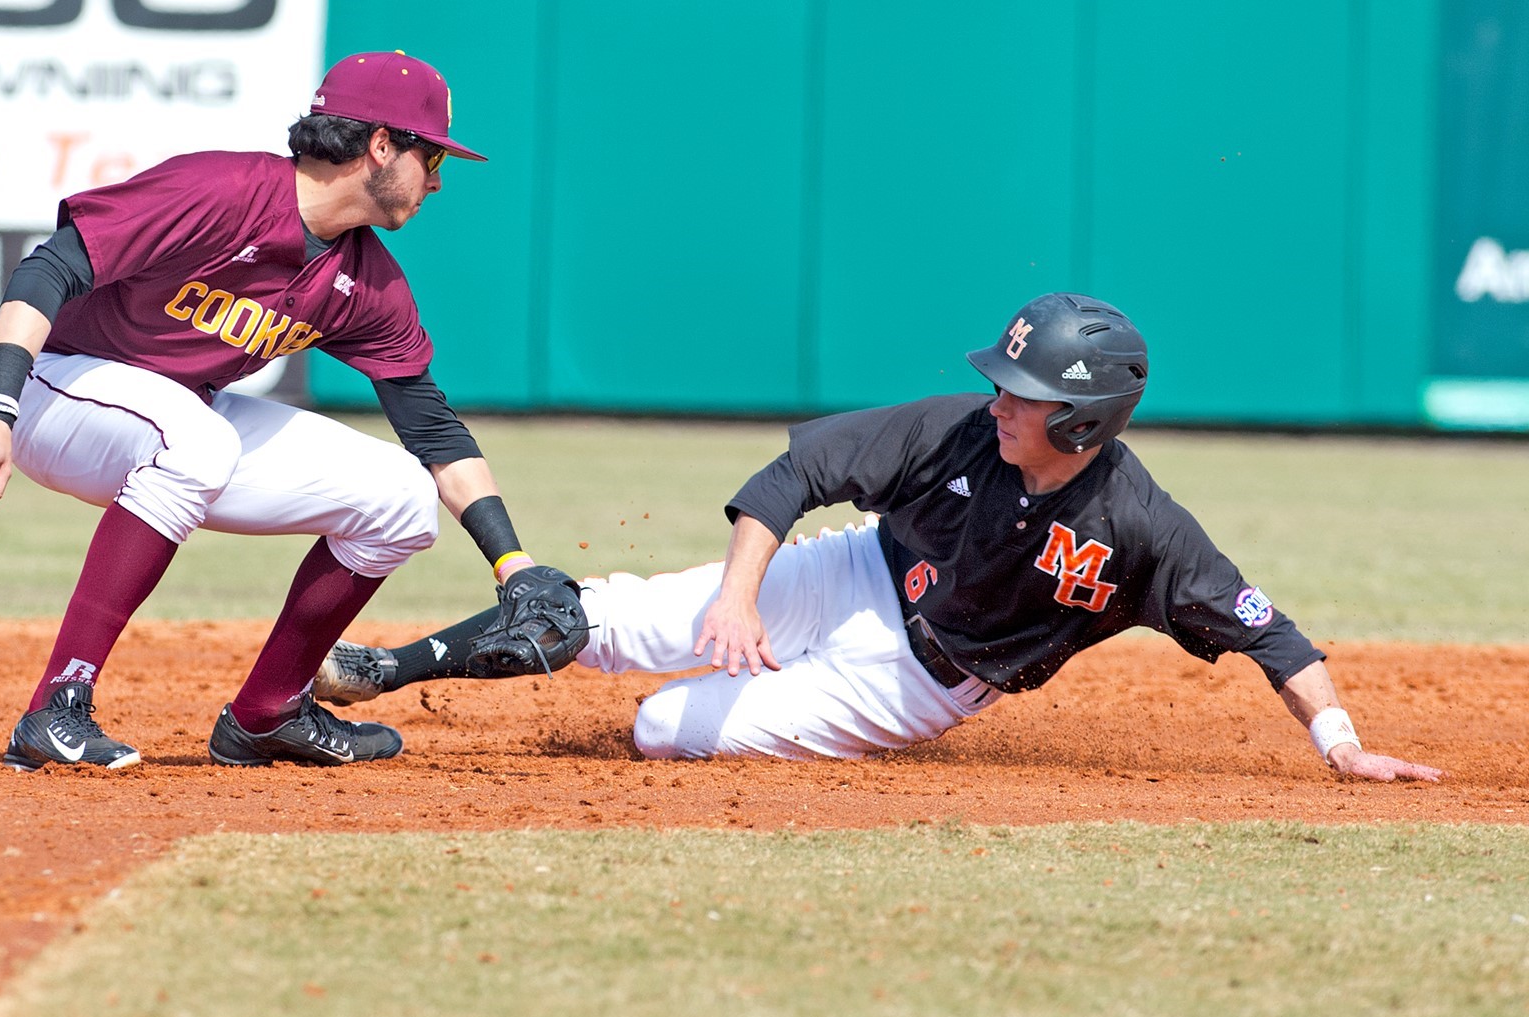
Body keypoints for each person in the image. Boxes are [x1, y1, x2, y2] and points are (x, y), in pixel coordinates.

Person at [314, 293, 1442, 783]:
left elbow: (1270, 633)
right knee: (603, 614)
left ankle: (699, 702)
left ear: (1083, 420)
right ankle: (383, 669)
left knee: (665, 726)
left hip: (924, 683)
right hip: (858, 567)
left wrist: (1338, 742)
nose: (997, 398)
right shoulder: (955, 428)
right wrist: (739, 600)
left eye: (1022, 389)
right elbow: (791, 474)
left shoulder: (1140, 532)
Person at [0, 52, 579, 771]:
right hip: (57, 388)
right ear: (381, 146)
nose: (439, 180)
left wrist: (513, 563)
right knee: (195, 442)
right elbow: (51, 267)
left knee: (402, 500)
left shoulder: (367, 281)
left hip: (175, 416)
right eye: (432, 157)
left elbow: (430, 428)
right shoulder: (222, 190)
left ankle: (267, 714)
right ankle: (56, 705)